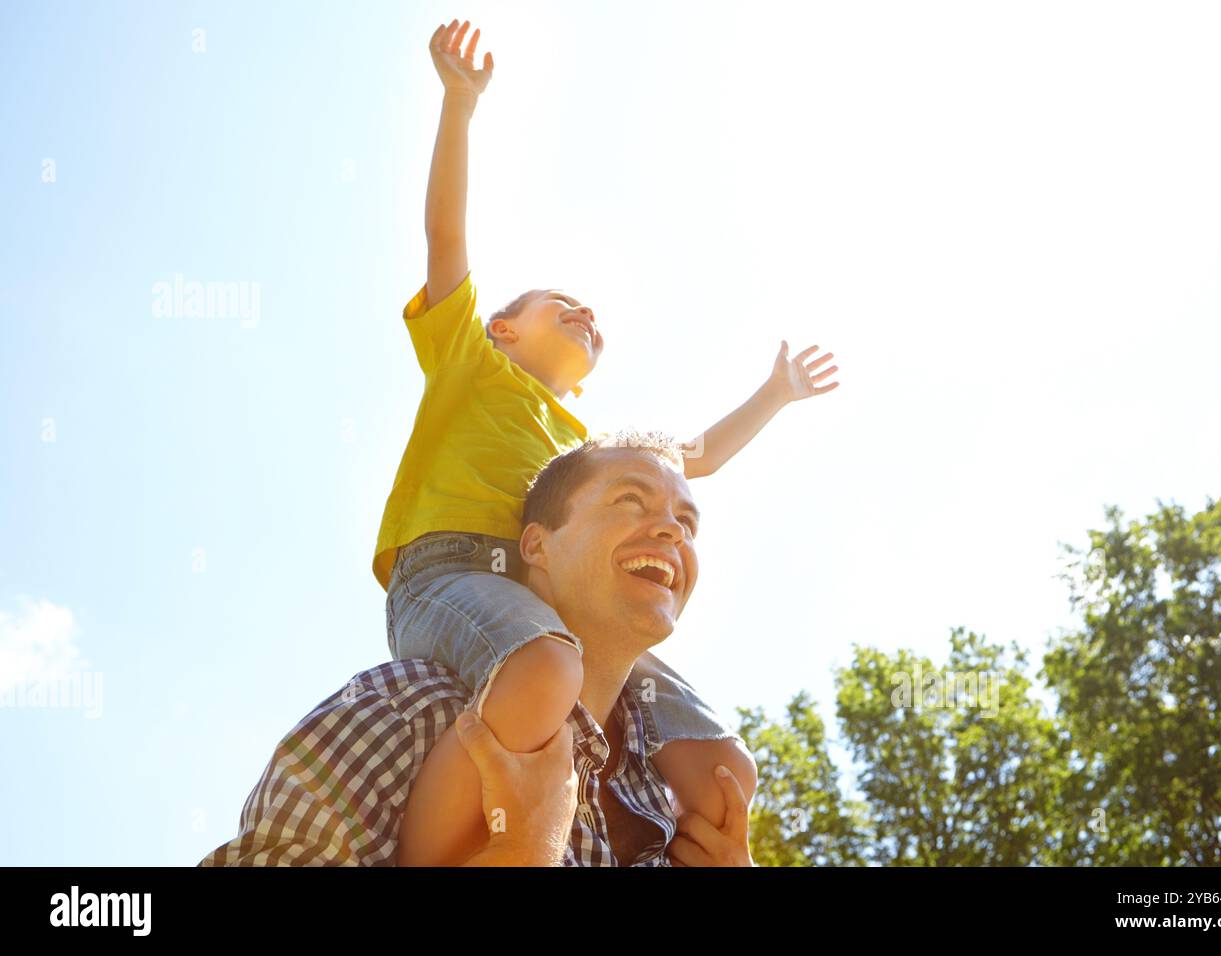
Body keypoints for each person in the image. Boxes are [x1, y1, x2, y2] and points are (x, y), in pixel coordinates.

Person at [376, 18, 840, 865]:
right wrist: (459, 107)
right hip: (449, 573)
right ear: (505, 329)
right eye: (561, 302)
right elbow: (447, 240)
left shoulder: (583, 446)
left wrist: (773, 394)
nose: (586, 312)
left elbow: (691, 455)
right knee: (546, 672)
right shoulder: (469, 361)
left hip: (562, 594)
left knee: (723, 772)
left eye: (595, 316)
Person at [200, 433, 752, 865]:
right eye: (631, 500)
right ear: (536, 545)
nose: (672, 532)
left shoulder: (673, 806)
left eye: (687, 522)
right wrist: (519, 856)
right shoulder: (409, 710)